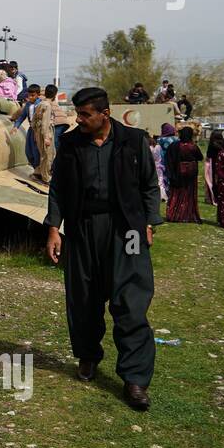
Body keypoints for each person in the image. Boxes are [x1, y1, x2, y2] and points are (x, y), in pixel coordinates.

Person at [44, 87, 160, 411]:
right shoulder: (70, 144)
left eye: (85, 115)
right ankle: (87, 356)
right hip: (83, 228)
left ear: (104, 114)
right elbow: (58, 189)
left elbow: (150, 185)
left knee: (131, 300)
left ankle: (135, 379)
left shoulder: (133, 141)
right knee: (83, 296)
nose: (78, 120)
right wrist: (54, 229)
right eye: (77, 114)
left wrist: (149, 222)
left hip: (129, 231)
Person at [165, 127, 204, 224]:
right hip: (191, 172)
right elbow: (200, 157)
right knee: (189, 193)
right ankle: (188, 214)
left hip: (178, 172)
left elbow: (168, 159)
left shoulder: (174, 145)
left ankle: (174, 214)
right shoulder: (193, 146)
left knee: (177, 193)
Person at [31, 84, 59, 183]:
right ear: (55, 95)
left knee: (44, 154)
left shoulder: (40, 104)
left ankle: (38, 172)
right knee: (48, 155)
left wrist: (35, 133)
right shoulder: (47, 106)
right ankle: (46, 177)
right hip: (46, 132)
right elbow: (45, 123)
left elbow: (33, 120)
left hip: (39, 132)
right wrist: (46, 137)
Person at [15, 85, 41, 168]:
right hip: (31, 130)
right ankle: (35, 167)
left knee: (36, 151)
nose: (30, 97)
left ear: (38, 95)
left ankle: (38, 169)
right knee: (28, 151)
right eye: (29, 95)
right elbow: (22, 116)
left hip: (38, 130)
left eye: (32, 95)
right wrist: (16, 126)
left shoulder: (41, 104)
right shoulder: (27, 105)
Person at [156, 123, 178, 195]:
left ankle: (165, 191)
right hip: (175, 160)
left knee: (164, 175)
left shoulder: (160, 140)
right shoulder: (177, 139)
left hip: (164, 159)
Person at [204, 130, 224, 206]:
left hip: (214, 164)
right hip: (222, 164)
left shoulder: (212, 144)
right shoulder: (223, 145)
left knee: (213, 181)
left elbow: (209, 155)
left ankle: (214, 197)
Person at [148, 133, 167, 203]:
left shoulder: (149, 148)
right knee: (160, 182)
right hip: (159, 166)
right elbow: (161, 156)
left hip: (151, 166)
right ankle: (163, 196)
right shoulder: (158, 147)